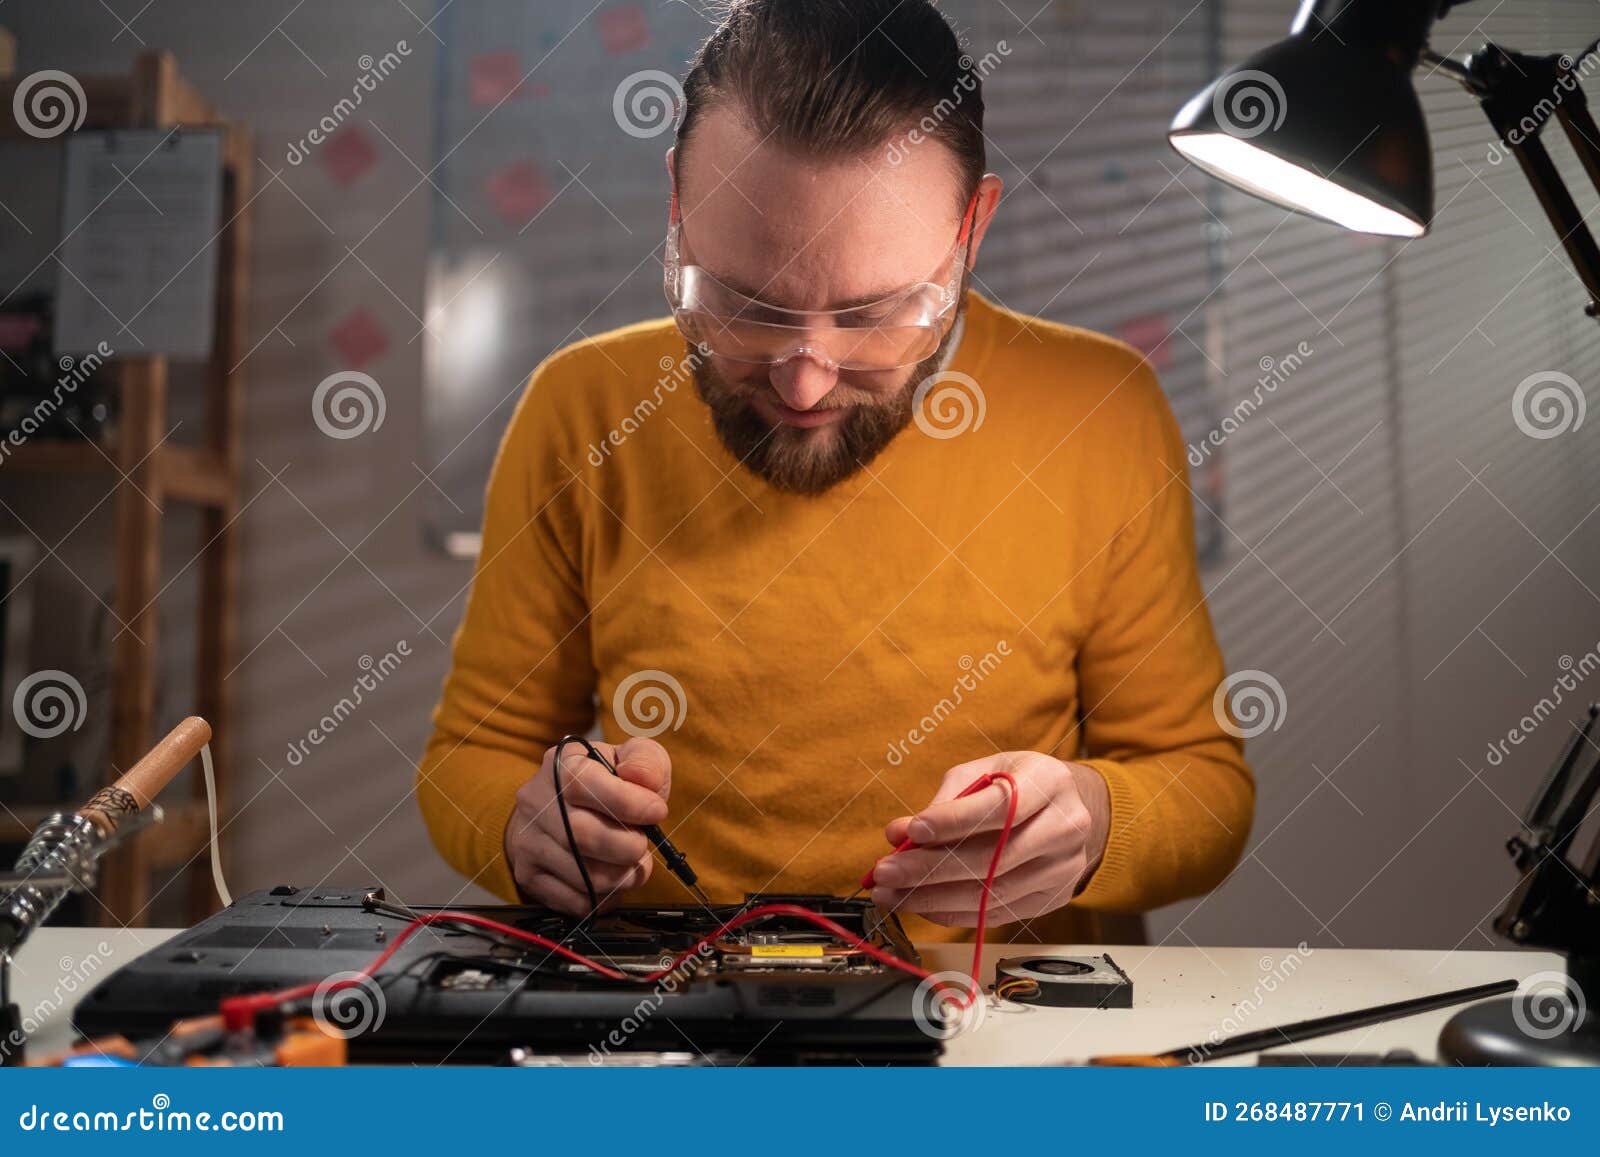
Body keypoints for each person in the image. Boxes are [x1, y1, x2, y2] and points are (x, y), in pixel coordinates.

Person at [418, 0, 1253, 945]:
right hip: (659, 1019)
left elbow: (1205, 787)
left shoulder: (1101, 410)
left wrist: (1099, 822)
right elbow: (471, 755)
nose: (805, 377)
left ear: (971, 232)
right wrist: (524, 827)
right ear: (677, 212)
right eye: (743, 304)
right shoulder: (581, 408)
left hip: (996, 1040)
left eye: (875, 313)